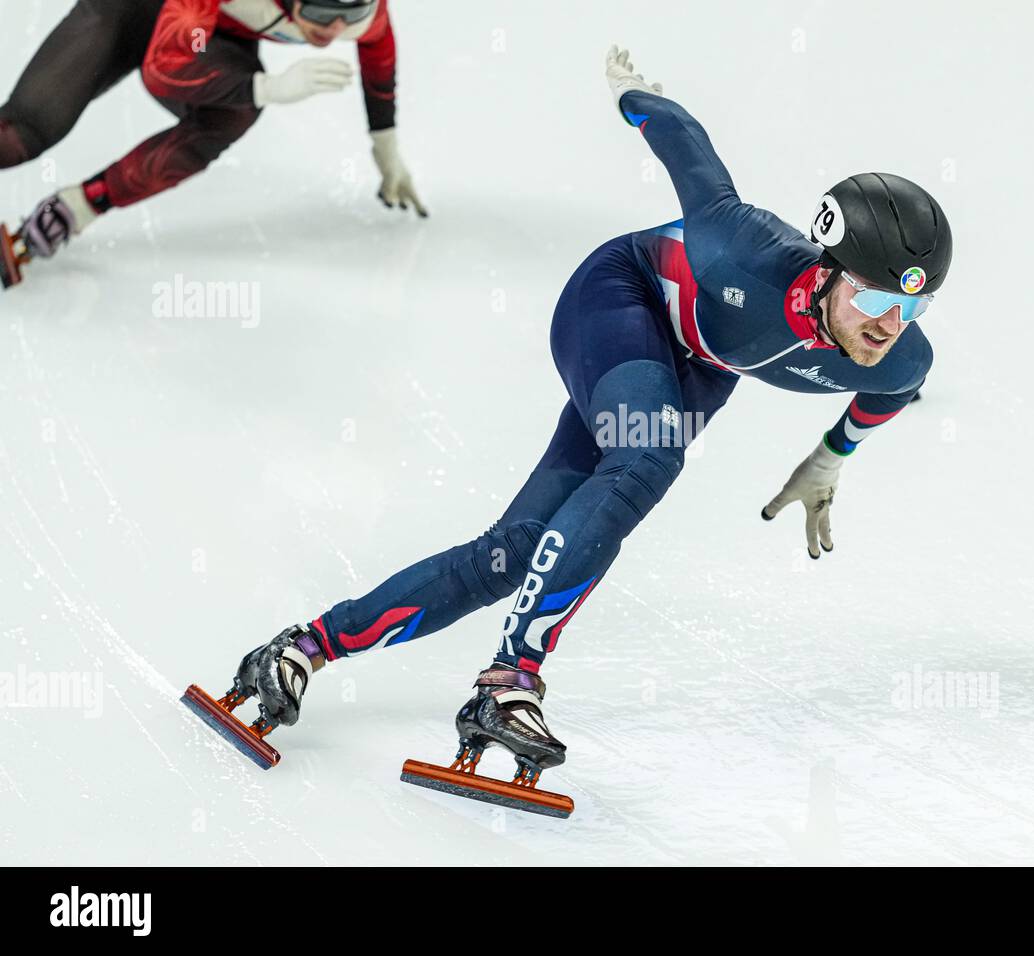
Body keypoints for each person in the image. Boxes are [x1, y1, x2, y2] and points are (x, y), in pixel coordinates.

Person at [225, 46, 953, 781]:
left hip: (695, 370)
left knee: (508, 556)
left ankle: (300, 648)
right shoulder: (741, 246)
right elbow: (689, 151)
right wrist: (634, 96)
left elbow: (891, 390)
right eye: (876, 297)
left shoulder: (899, 355)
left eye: (912, 305)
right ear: (827, 270)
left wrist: (829, 460)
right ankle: (509, 684)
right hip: (619, 299)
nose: (891, 322)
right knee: (647, 454)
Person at [0, 0, 422, 286]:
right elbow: (164, 68)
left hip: (207, 36)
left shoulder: (359, 14)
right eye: (321, 9)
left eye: (352, 13)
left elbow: (379, 51)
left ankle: (76, 207)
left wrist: (385, 149)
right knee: (25, 133)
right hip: (135, 11)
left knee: (232, 110)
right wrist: (267, 86)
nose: (334, 29)